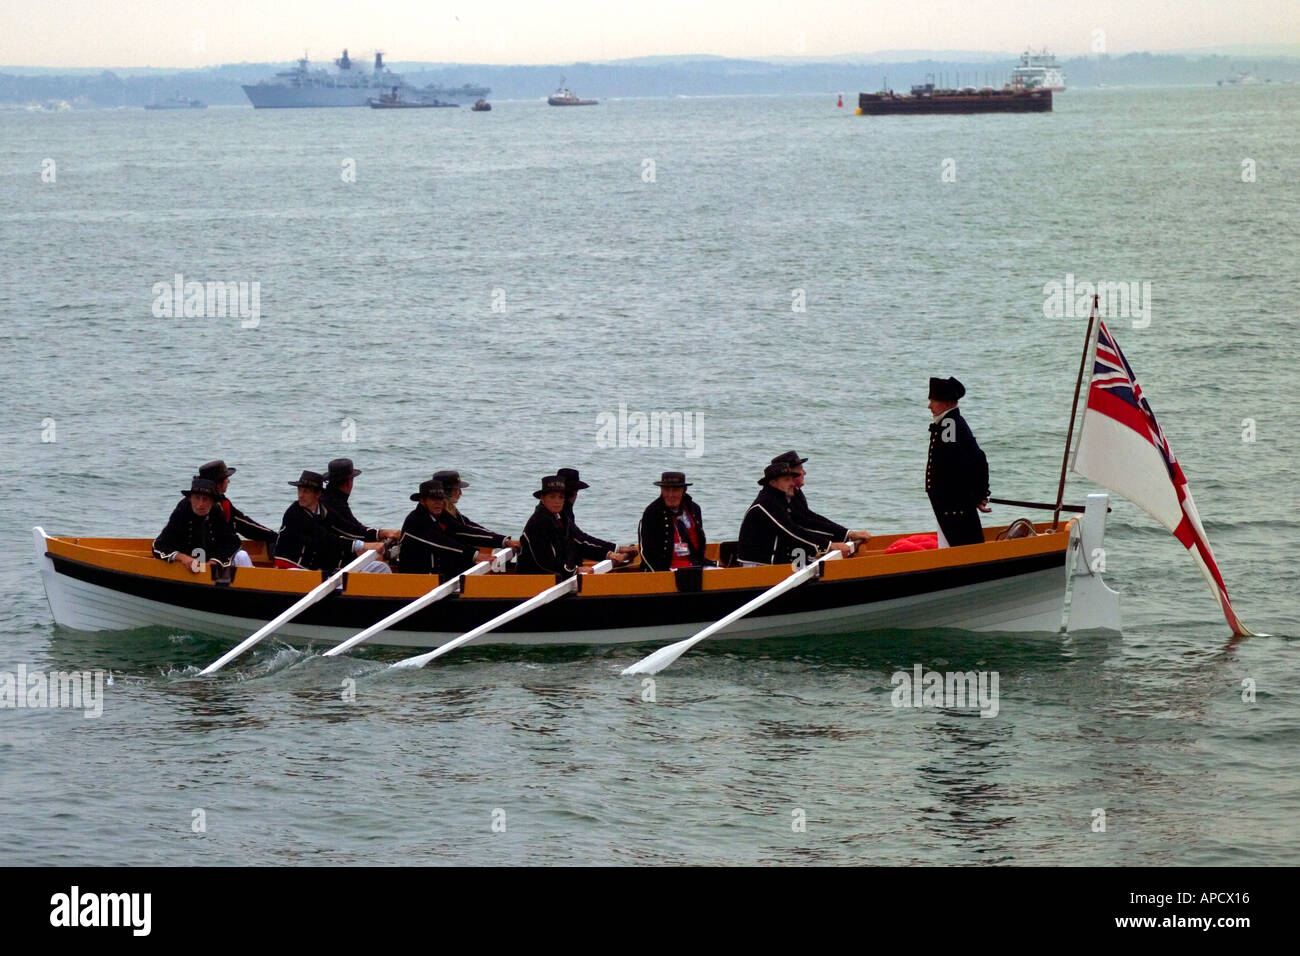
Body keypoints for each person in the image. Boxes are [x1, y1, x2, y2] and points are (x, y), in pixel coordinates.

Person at [738, 461, 852, 565]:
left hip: (780, 561)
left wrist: (842, 536)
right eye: (787, 479)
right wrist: (829, 546)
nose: (792, 483)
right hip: (760, 566)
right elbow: (790, 531)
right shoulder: (765, 504)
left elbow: (807, 523)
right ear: (773, 482)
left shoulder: (780, 500)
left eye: (792, 479)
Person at [276, 470, 390, 572]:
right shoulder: (294, 513)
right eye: (299, 491)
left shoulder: (324, 510)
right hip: (291, 569)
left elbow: (349, 528)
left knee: (381, 568)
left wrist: (381, 534)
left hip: (315, 572)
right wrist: (363, 545)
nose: (300, 495)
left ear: (318, 494)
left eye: (305, 491)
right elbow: (325, 539)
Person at [925, 376, 991, 547]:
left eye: (934, 401)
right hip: (949, 505)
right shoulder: (949, 422)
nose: (929, 405)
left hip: (954, 506)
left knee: (963, 548)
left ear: (947, 403)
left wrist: (980, 494)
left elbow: (972, 460)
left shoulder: (949, 424)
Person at [519, 475, 629, 576]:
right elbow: (544, 560)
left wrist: (608, 554)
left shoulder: (559, 517)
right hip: (534, 578)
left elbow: (576, 544)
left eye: (561, 497)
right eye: (552, 497)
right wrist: (575, 570)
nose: (557, 501)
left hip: (555, 575)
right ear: (542, 499)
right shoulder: (539, 522)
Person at [769, 450, 871, 546]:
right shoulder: (771, 502)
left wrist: (847, 534)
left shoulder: (795, 493)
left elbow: (810, 518)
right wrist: (833, 543)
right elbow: (798, 527)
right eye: (800, 469)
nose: (804, 472)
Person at [198, 459, 277, 567]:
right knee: (241, 556)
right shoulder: (214, 506)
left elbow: (244, 525)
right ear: (218, 483)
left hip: (217, 556)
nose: (229, 481)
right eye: (227, 479)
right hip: (201, 557)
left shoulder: (223, 503)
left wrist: (274, 536)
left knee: (240, 555)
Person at [152, 477, 241, 572]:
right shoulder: (182, 511)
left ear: (212, 501)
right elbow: (158, 546)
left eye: (205, 499)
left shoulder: (216, 512)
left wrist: (214, 561)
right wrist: (182, 558)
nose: (200, 504)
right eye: (197, 498)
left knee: (241, 555)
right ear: (190, 499)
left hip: (210, 565)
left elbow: (233, 543)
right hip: (182, 566)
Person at [397, 479, 483, 576]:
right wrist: (474, 555)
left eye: (441, 499)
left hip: (439, 573)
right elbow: (440, 542)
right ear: (422, 500)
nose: (439, 503)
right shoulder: (415, 520)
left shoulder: (440, 515)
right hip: (418, 578)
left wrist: (502, 540)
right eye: (434, 499)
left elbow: (464, 530)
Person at [556, 467, 636, 561]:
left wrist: (613, 549)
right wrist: (613, 551)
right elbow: (578, 540)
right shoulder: (559, 513)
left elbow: (579, 538)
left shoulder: (565, 510)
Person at [637, 471, 711, 571]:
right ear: (661, 490)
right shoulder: (652, 512)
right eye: (666, 490)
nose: (670, 495)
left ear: (684, 490)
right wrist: (660, 576)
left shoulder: (694, 508)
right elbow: (645, 553)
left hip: (696, 565)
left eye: (675, 490)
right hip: (665, 570)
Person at [322, 457, 401, 551]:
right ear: (349, 482)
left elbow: (354, 527)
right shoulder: (335, 504)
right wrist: (380, 534)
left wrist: (380, 533)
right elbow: (352, 532)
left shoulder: (329, 497)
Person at [433, 469, 521, 552]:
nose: (460, 493)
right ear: (445, 492)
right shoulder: (440, 513)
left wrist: (502, 539)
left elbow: (468, 524)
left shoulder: (450, 508)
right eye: (457, 489)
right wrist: (503, 541)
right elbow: (463, 531)